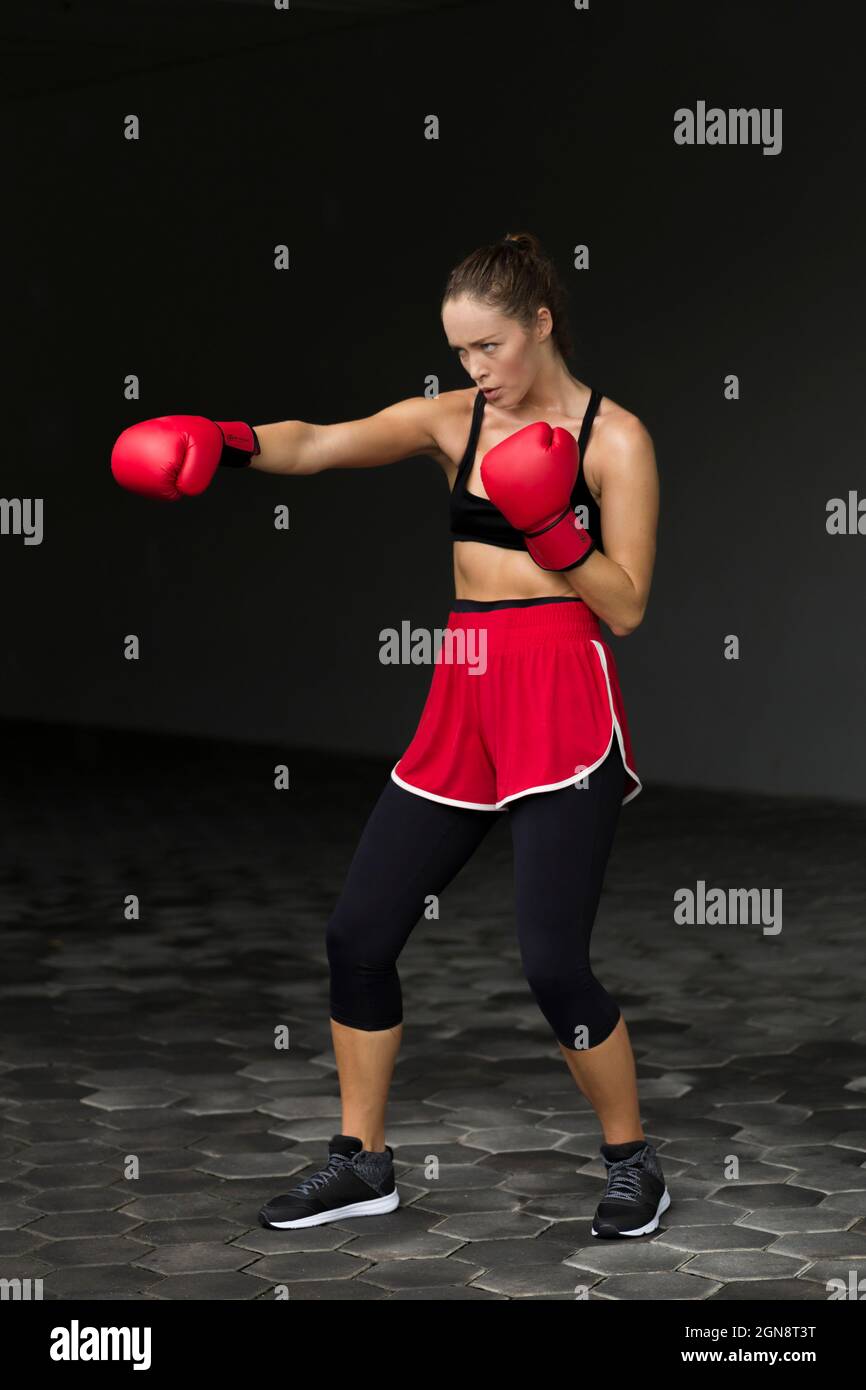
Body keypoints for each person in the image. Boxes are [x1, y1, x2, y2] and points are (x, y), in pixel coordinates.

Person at [111, 232, 664, 1240]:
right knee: (358, 935)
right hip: (465, 687)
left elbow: (624, 605)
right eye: (458, 352)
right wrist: (223, 439)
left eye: (489, 348)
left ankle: (632, 1162)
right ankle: (361, 1160)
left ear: (540, 323)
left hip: (559, 692)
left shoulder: (612, 438)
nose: (475, 371)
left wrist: (556, 534)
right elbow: (316, 441)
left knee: (551, 962)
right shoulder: (450, 423)